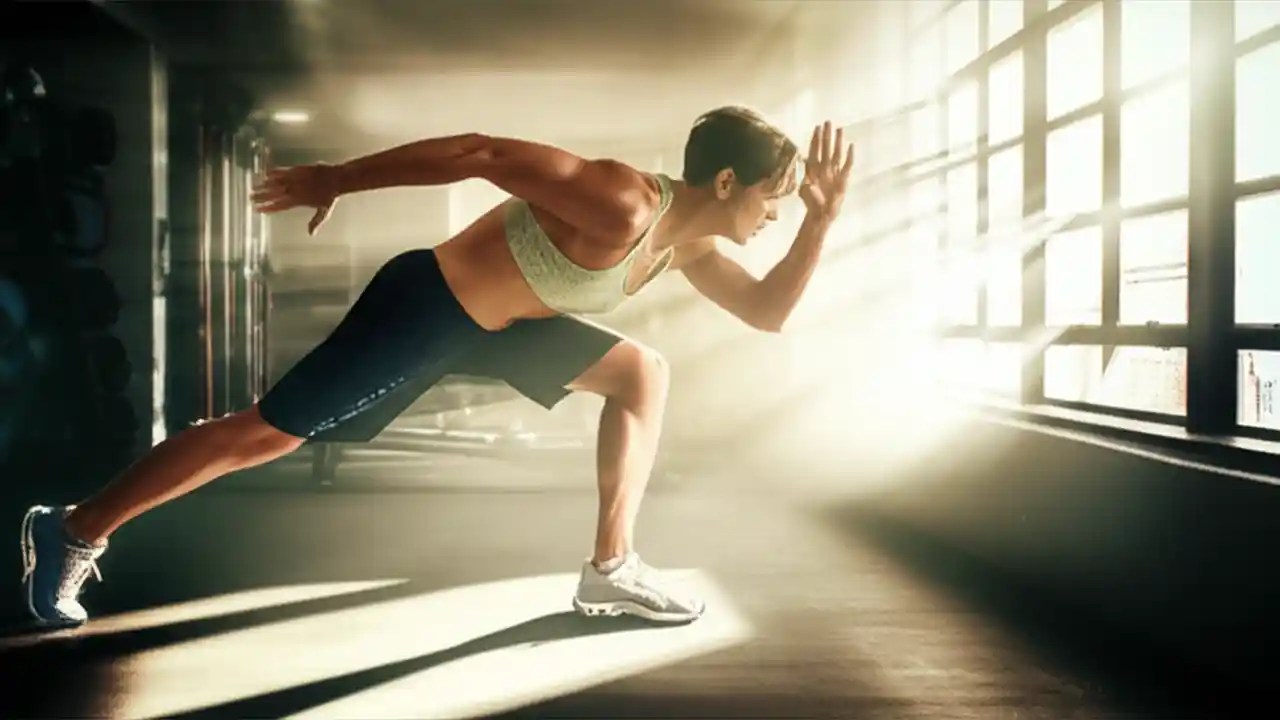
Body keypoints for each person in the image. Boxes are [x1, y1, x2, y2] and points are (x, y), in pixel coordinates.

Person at [21, 106, 854, 627]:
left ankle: (610, 568)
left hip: (501, 327)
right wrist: (336, 179)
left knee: (643, 374)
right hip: (428, 307)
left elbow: (767, 313)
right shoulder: (622, 200)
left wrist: (822, 223)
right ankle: (74, 527)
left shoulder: (687, 246)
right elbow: (480, 150)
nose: (777, 214)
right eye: (776, 197)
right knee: (262, 436)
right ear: (724, 178)